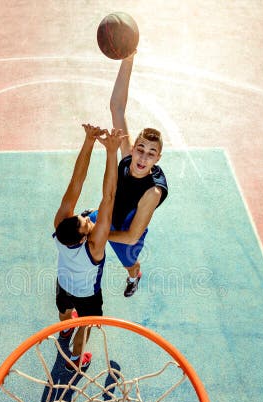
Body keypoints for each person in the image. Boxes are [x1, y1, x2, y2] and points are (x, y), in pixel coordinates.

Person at [93, 51, 169, 298]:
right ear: (133, 147)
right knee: (78, 229)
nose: (142, 158)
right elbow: (117, 106)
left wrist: (101, 235)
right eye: (140, 150)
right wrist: (127, 58)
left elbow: (132, 235)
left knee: (129, 262)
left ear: (158, 159)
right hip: (108, 213)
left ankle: (135, 276)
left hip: (127, 229)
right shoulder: (127, 156)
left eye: (150, 154)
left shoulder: (153, 191)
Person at [53, 124, 124, 370]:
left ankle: (63, 331)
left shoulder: (60, 228)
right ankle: (76, 358)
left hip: (64, 284)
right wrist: (111, 152)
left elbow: (76, 182)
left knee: (64, 312)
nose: (90, 220)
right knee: (85, 324)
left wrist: (89, 141)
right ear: (84, 238)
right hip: (87, 295)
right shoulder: (94, 247)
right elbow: (109, 197)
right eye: (88, 223)